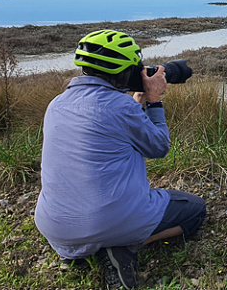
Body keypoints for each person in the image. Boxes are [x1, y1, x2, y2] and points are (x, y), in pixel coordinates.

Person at [35, 30, 206, 289]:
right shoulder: (121, 108)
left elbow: (110, 126)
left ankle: (77, 253)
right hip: (109, 221)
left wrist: (136, 100)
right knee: (195, 210)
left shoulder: (57, 104)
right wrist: (155, 100)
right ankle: (120, 247)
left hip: (55, 227)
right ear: (126, 72)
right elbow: (159, 147)